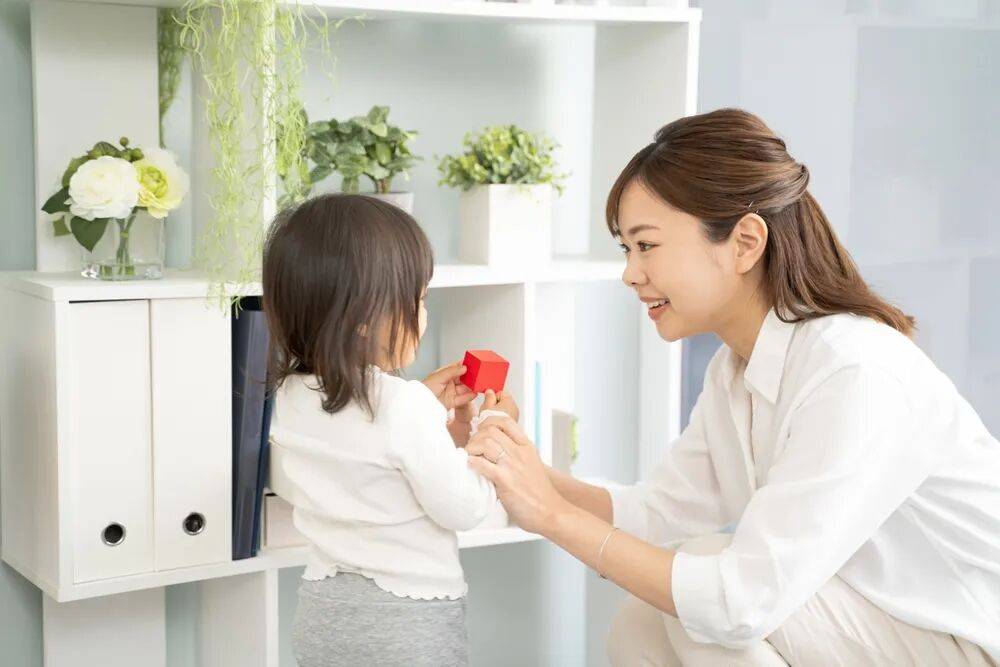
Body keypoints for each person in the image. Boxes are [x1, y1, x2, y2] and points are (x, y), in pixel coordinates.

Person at [465, 109, 1000, 665]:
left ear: (745, 242)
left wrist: (551, 516)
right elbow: (655, 514)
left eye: (646, 245)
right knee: (641, 621)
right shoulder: (735, 370)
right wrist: (519, 472)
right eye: (627, 249)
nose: (630, 273)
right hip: (881, 619)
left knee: (707, 594)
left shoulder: (855, 372)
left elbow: (741, 602)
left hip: (968, 640)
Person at [263, 194, 516, 666]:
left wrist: (426, 410)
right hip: (405, 622)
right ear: (364, 317)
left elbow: (366, 461)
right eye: (418, 299)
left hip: (322, 613)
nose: (423, 314)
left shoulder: (288, 396)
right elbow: (464, 509)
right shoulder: (403, 406)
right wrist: (493, 427)